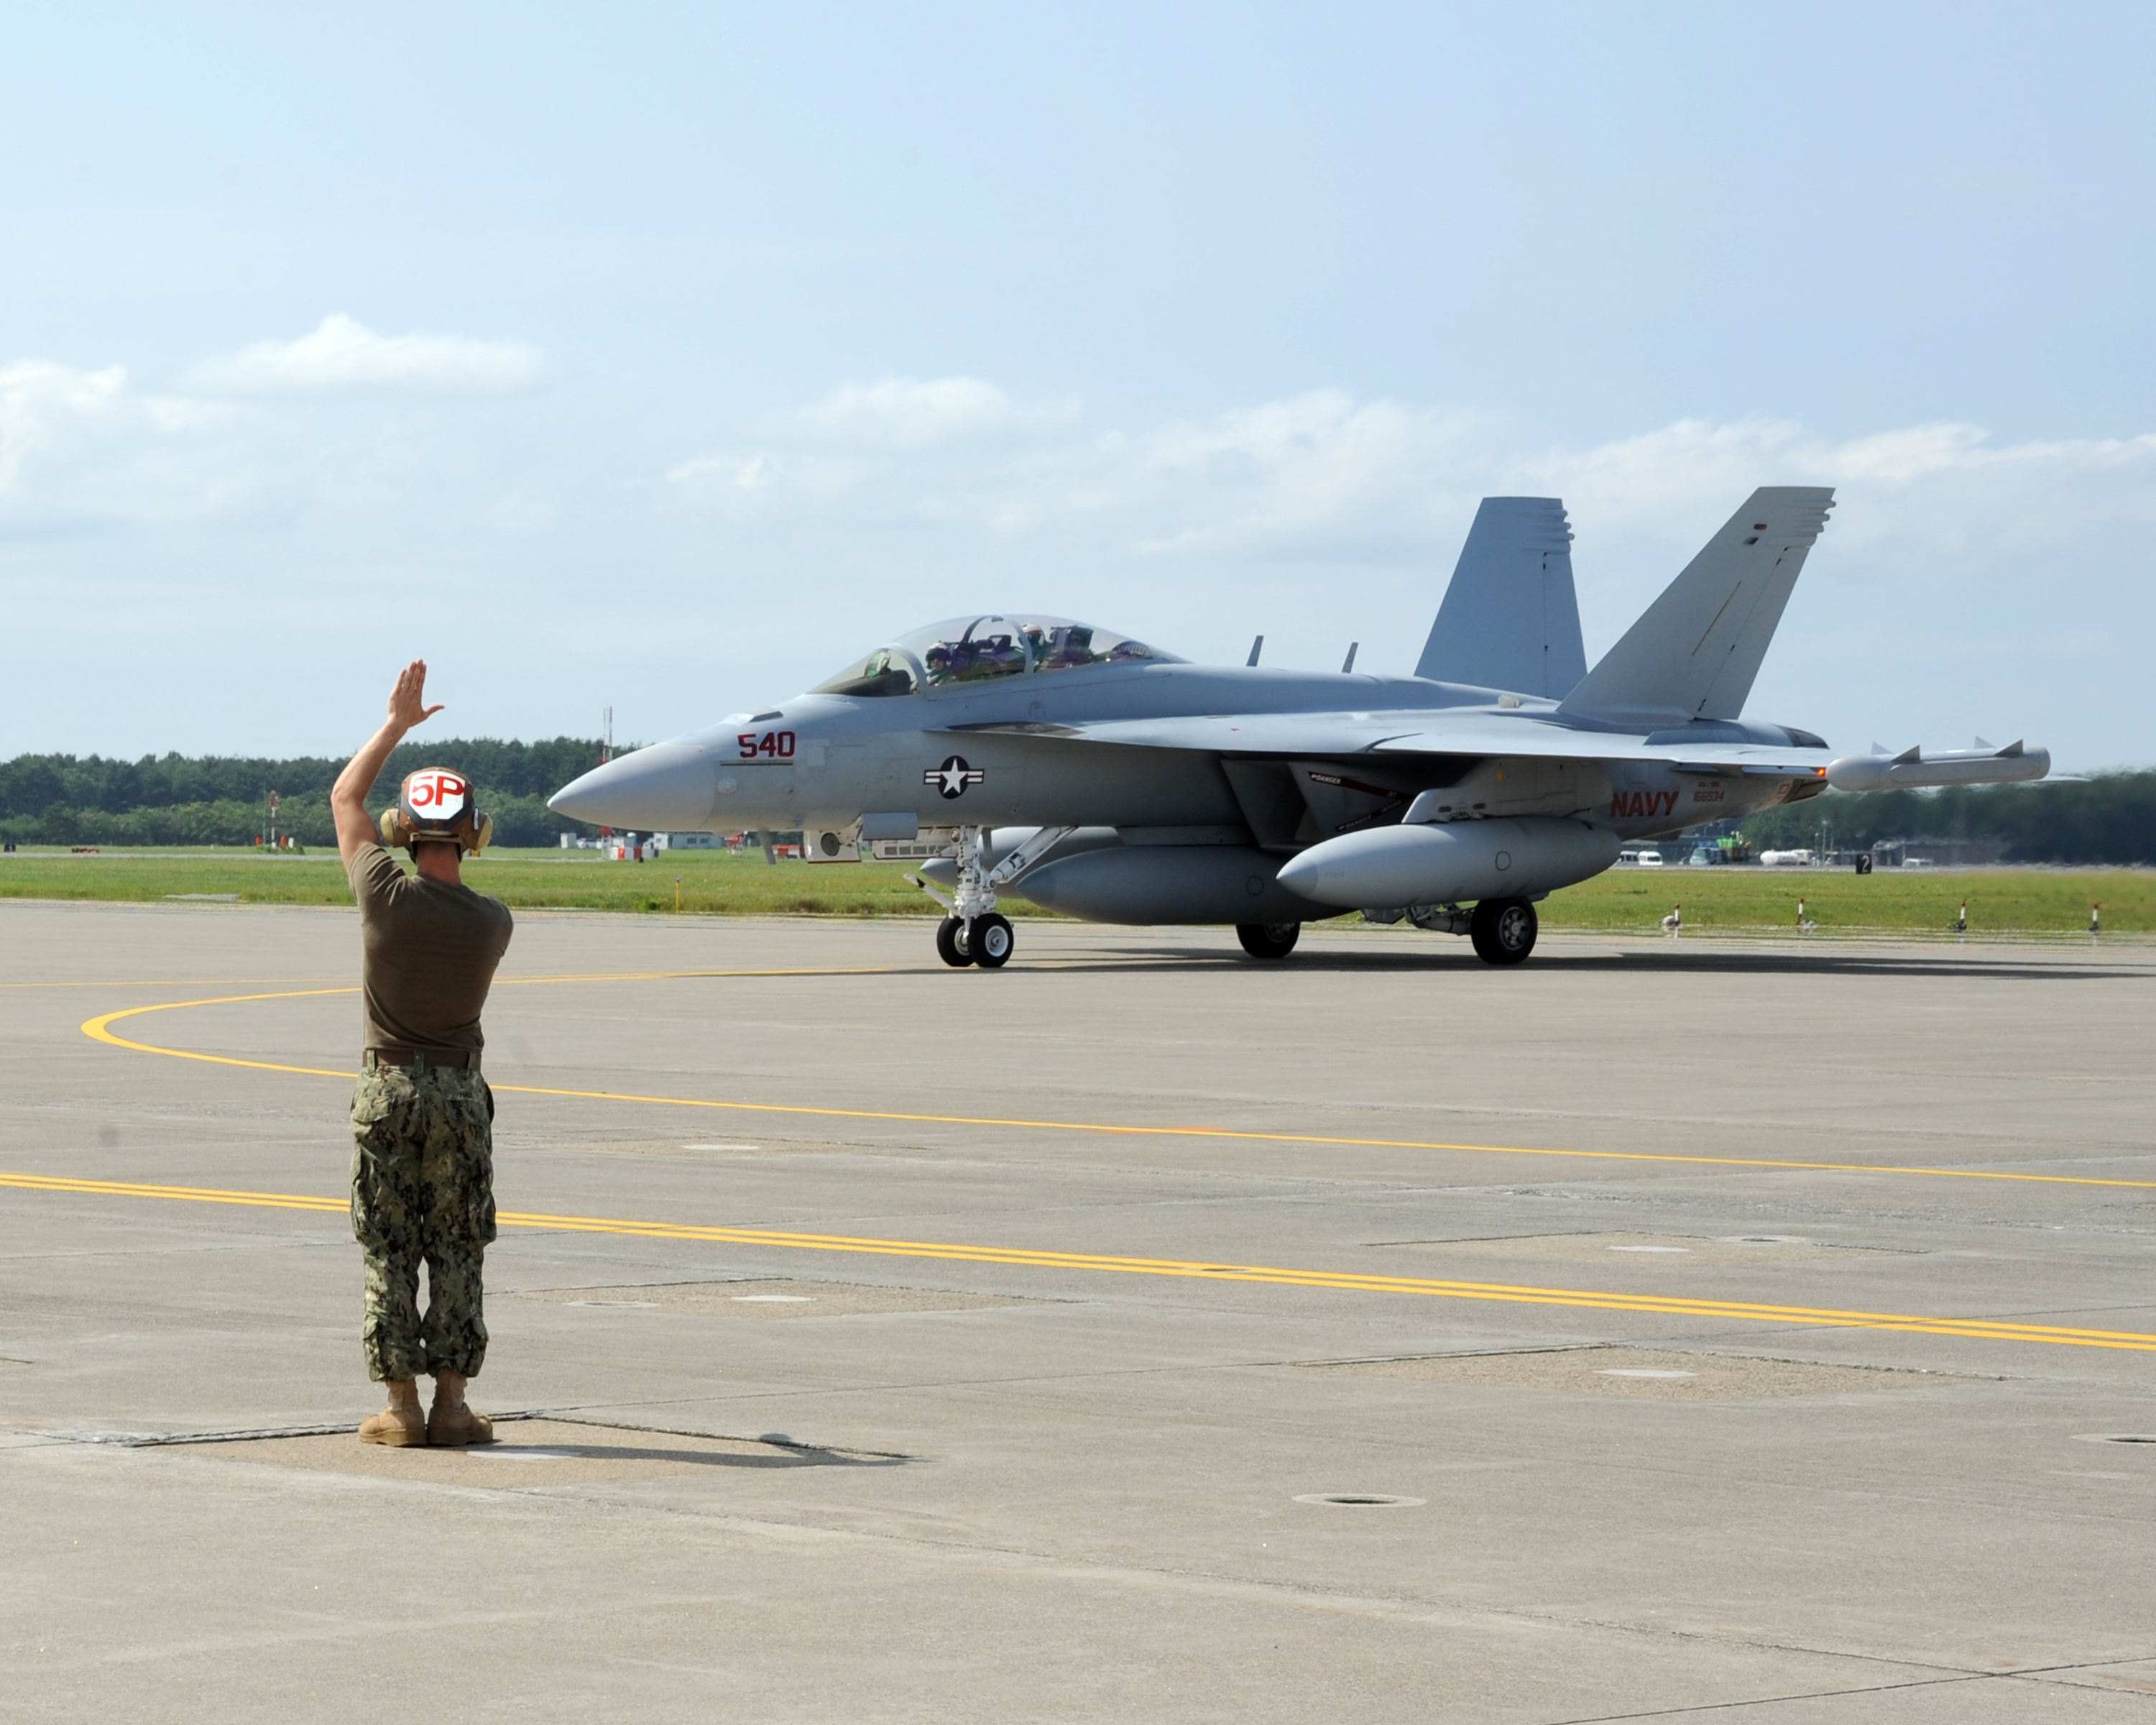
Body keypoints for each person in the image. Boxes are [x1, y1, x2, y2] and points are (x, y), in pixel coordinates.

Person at [331, 661, 514, 1446]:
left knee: (388, 1245)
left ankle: (399, 1407)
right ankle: (451, 1404)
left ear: (406, 831)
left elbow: (345, 799)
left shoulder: (382, 893)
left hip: (388, 1090)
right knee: (459, 1244)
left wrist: (397, 726)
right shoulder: (493, 923)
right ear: (472, 835)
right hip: (459, 1095)